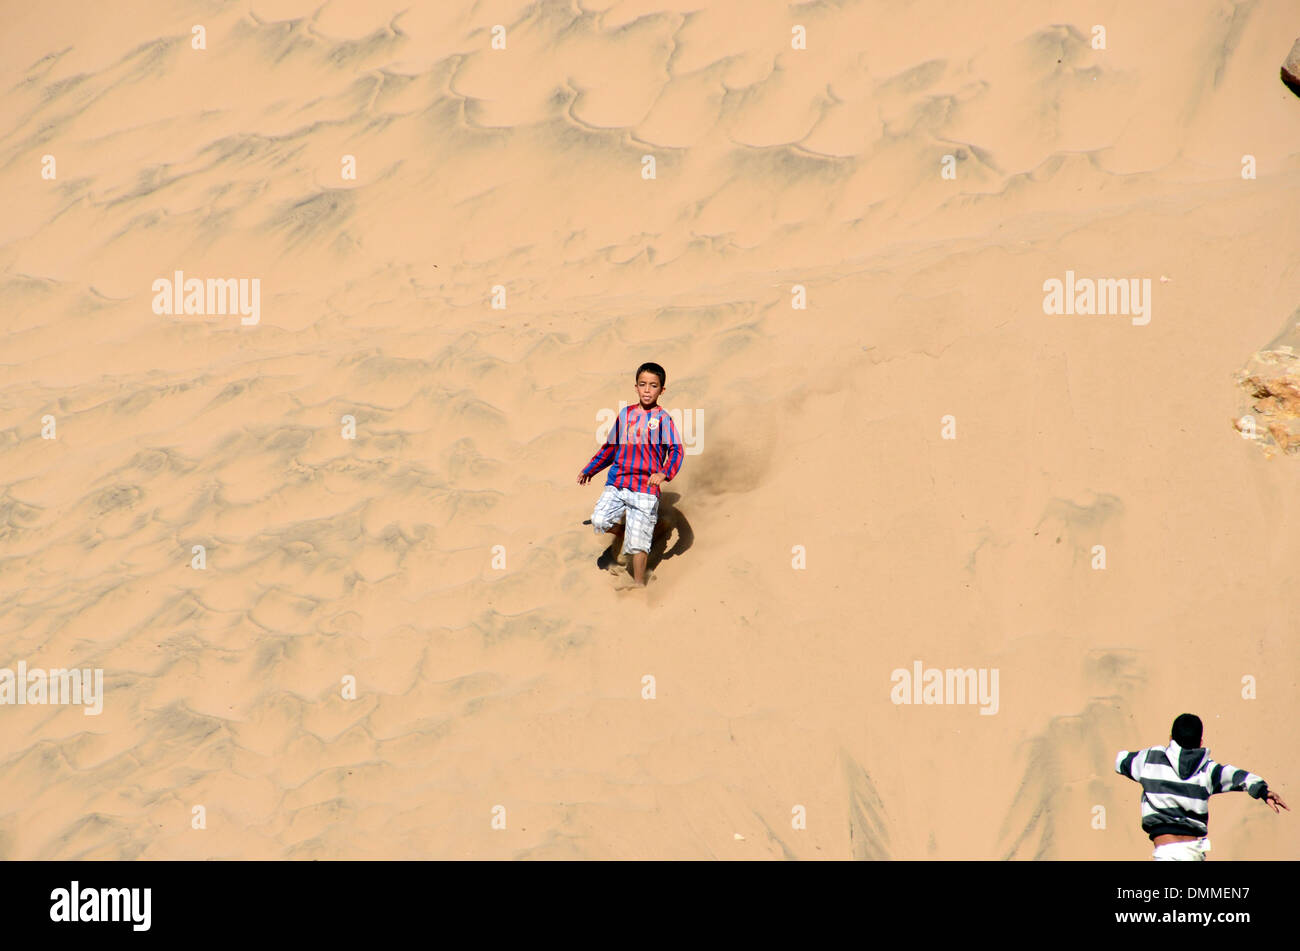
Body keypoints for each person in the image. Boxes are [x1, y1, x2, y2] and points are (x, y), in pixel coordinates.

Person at [1115, 713, 1288, 860]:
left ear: (1171, 738)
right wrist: (1263, 791)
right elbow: (1237, 776)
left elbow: (1121, 761)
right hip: (1194, 852)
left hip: (1166, 852)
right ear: (1200, 742)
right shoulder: (1208, 770)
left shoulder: (1149, 760)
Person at [577, 362, 683, 587]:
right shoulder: (626, 414)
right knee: (600, 520)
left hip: (645, 488)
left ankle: (638, 585)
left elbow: (676, 450)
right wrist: (591, 469)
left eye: (653, 386)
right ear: (635, 387)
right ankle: (625, 530)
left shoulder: (663, 420)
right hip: (618, 482)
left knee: (638, 545)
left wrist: (664, 473)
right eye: (643, 384)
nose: (647, 390)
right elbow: (611, 447)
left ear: (661, 390)